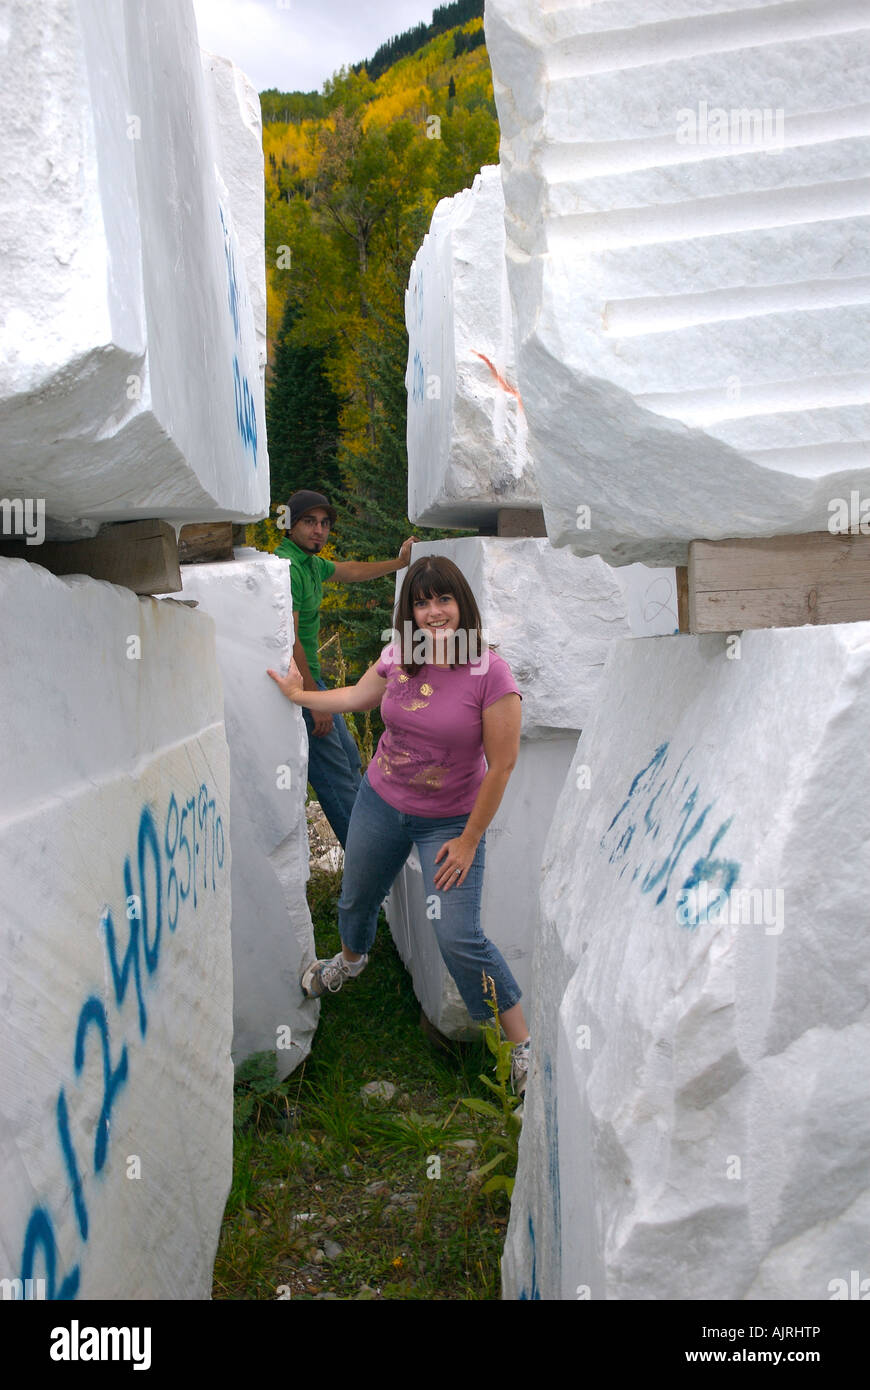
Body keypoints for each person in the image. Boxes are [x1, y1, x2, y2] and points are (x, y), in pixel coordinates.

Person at [267, 553, 532, 1097]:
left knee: (458, 934)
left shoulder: (490, 671)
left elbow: (502, 764)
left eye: (444, 599)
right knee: (355, 898)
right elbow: (355, 697)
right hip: (382, 800)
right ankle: (351, 960)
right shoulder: (400, 655)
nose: (433, 612)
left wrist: (468, 840)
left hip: (451, 823)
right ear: (409, 611)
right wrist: (299, 695)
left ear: (462, 604)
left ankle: (520, 1047)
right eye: (421, 601)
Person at [274, 491, 417, 847]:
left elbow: (349, 570)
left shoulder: (310, 564)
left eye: (324, 524)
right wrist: (312, 700)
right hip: (301, 684)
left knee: (351, 760)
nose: (318, 531)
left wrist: (398, 563)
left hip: (314, 682)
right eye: (309, 522)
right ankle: (364, 862)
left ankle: (369, 856)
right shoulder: (287, 567)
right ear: (290, 524)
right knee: (336, 778)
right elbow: (288, 639)